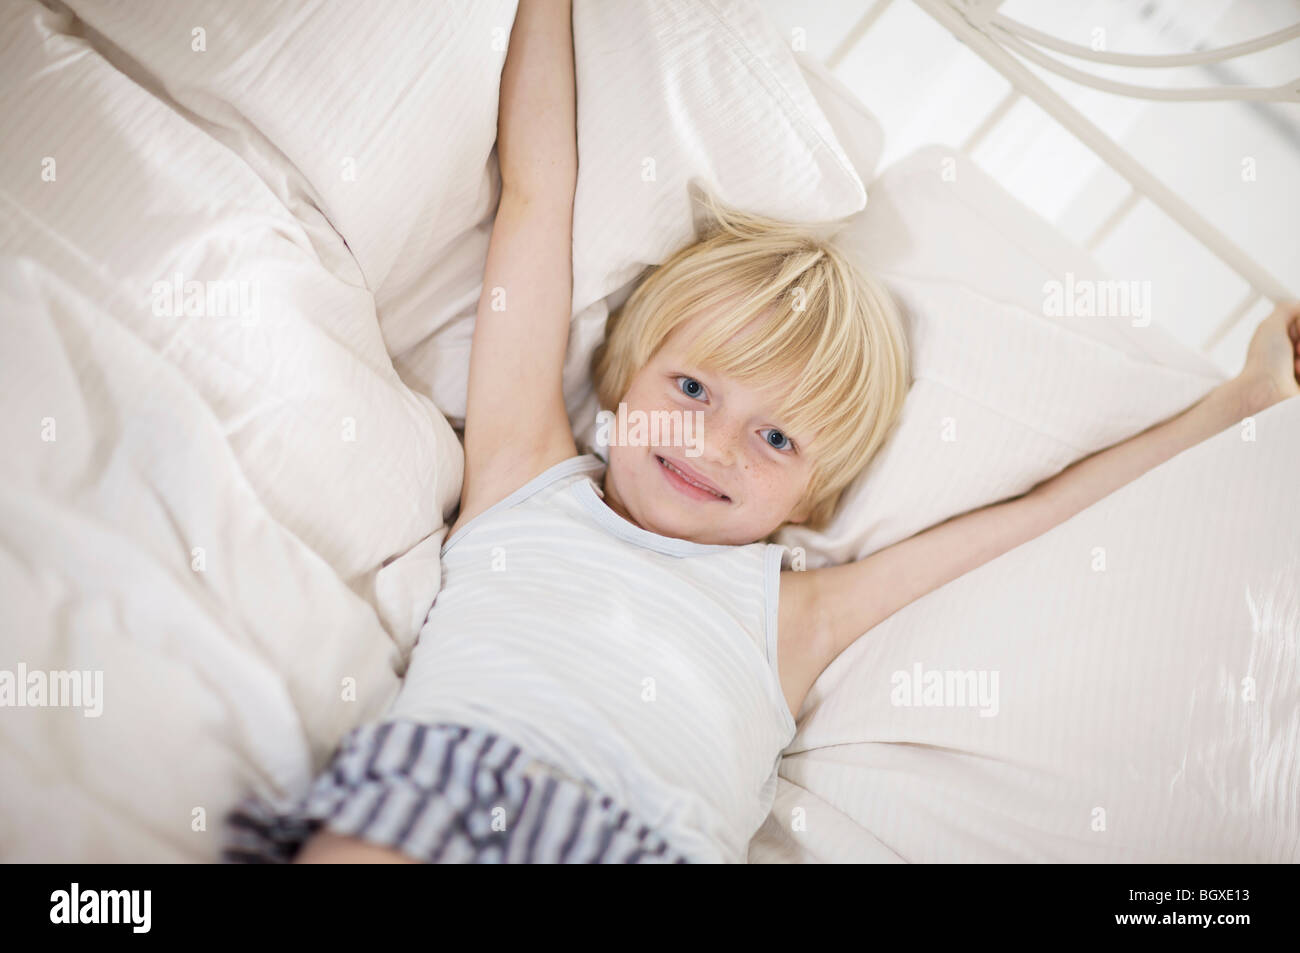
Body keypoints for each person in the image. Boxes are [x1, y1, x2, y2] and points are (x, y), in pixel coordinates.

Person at [223, 0, 1300, 864]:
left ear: (814, 500)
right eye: (692, 385)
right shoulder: (521, 467)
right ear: (621, 377)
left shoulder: (798, 614)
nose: (718, 442)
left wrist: (1240, 401)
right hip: (449, 783)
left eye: (778, 440)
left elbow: (1040, 517)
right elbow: (535, 196)